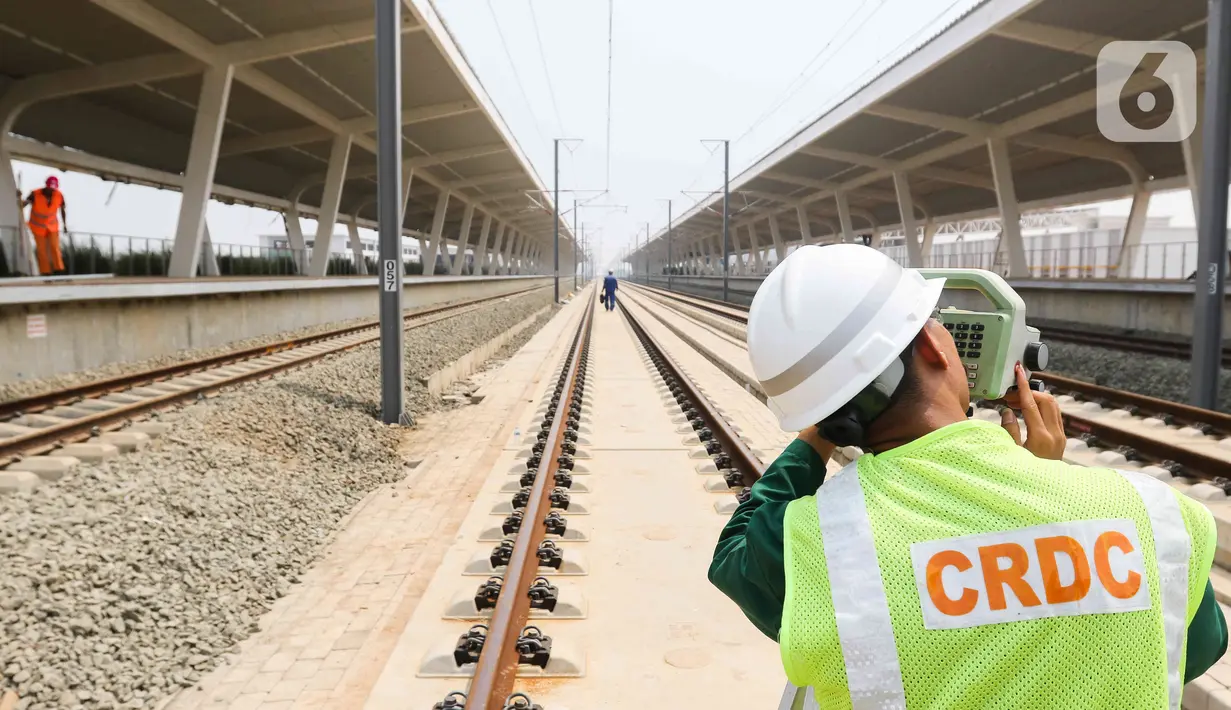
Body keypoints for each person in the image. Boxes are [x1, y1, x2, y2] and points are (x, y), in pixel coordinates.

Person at [709, 244, 1225, 709]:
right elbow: (1194, 650)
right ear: (934, 347)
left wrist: (819, 432)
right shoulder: (1153, 514)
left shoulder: (815, 547)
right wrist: (1041, 480)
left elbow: (734, 554)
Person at [24, 176, 68, 275]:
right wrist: (19, 200)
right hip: (37, 227)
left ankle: (59, 270)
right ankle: (46, 272)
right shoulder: (35, 194)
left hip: (52, 226)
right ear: (46, 185)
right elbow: (24, 204)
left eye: (53, 188)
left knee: (55, 247)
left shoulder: (59, 195)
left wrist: (65, 225)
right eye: (49, 187)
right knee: (42, 250)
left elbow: (62, 210)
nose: (51, 190)